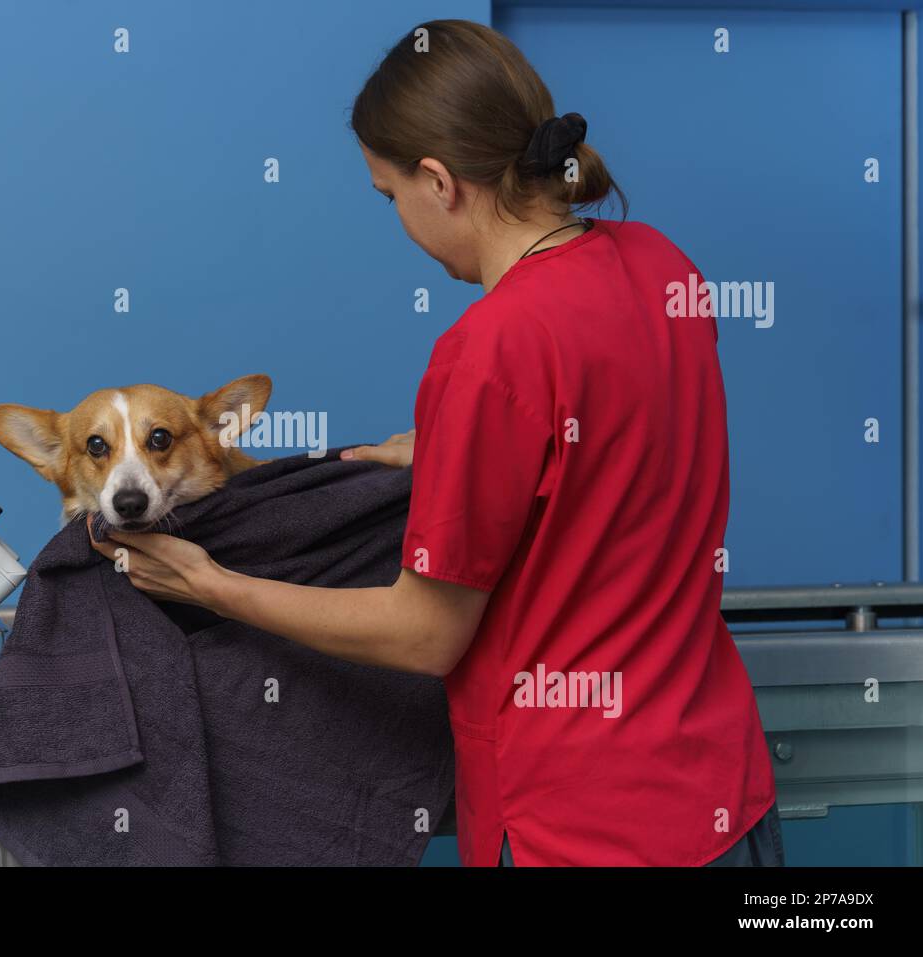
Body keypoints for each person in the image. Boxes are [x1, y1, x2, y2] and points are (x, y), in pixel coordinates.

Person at [88, 19, 782, 867]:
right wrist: (462, 449)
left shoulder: (490, 350)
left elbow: (425, 634)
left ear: (439, 181)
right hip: (722, 793)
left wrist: (213, 584)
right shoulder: (663, 266)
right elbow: (623, 435)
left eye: (390, 197)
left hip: (582, 828)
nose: (400, 221)